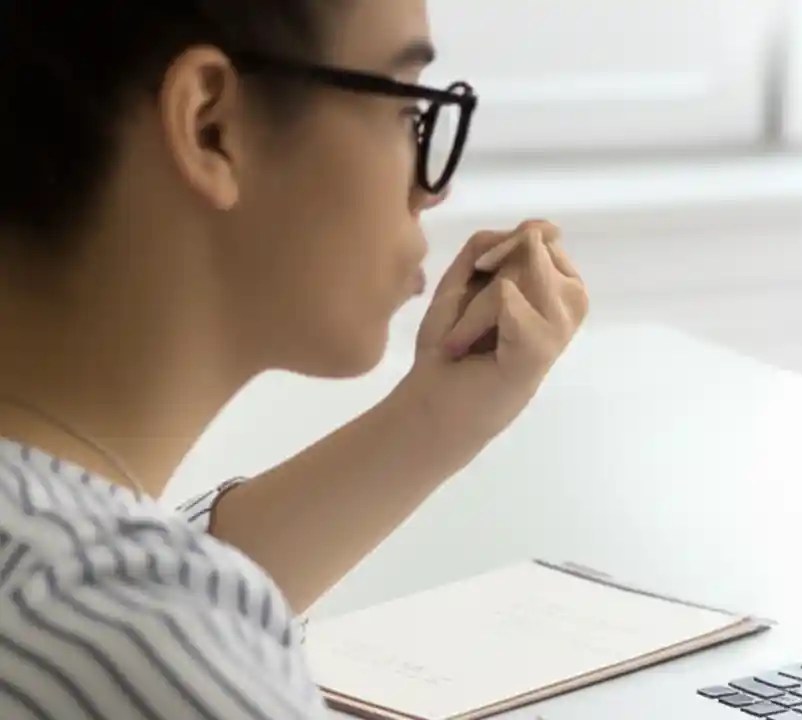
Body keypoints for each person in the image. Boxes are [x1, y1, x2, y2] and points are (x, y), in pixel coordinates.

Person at [0, 0, 589, 717]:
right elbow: (144, 626)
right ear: (211, 126)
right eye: (410, 111)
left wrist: (435, 418)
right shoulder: (140, 642)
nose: (432, 189)